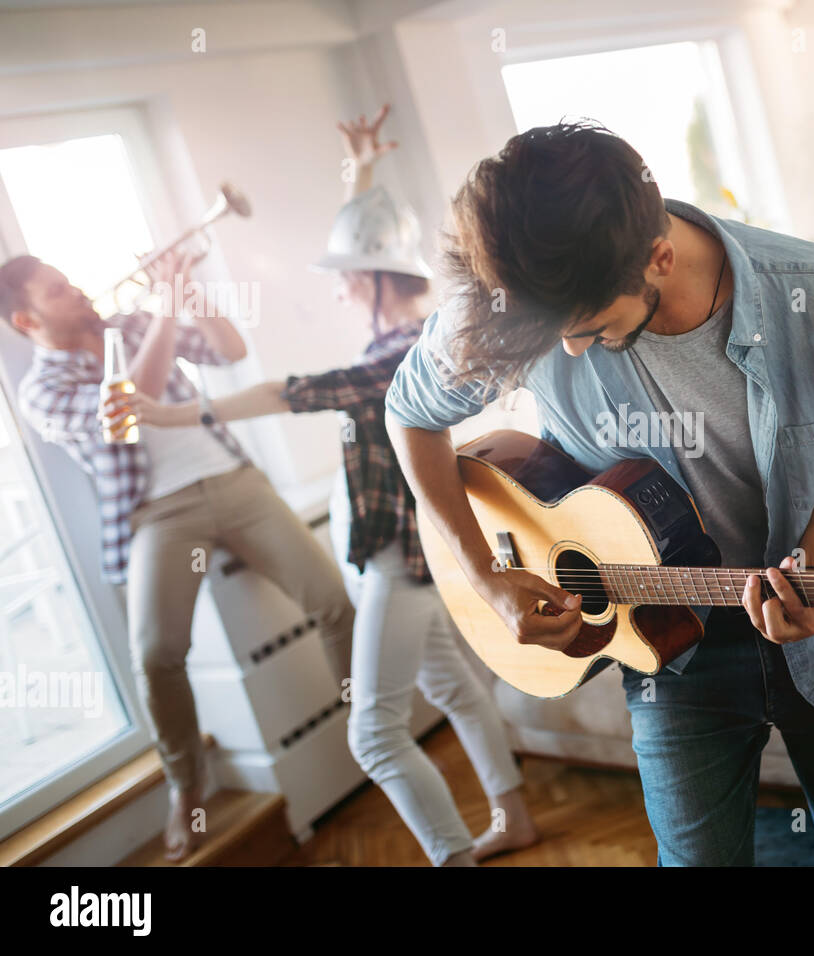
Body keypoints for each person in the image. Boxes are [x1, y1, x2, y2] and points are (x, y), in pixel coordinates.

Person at [383, 121, 814, 866]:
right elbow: (408, 415)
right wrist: (486, 575)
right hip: (664, 641)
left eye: (594, 328)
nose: (569, 350)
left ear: (659, 258)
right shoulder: (523, 305)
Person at [113, 106, 539, 866]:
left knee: (373, 735)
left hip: (401, 563)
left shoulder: (399, 355)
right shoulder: (404, 336)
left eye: (347, 282)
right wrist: (361, 172)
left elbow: (289, 391)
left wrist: (170, 412)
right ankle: (513, 817)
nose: (337, 295)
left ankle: (451, 858)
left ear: (374, 281)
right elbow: (364, 243)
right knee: (453, 688)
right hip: (417, 556)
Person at [0, 251, 354, 861]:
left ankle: (365, 721)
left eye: (69, 276)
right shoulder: (41, 389)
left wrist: (189, 295)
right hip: (159, 514)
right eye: (57, 290)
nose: (78, 287)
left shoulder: (134, 321)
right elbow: (134, 403)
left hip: (234, 481)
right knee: (157, 653)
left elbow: (229, 348)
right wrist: (163, 311)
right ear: (26, 322)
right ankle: (185, 786)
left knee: (333, 603)